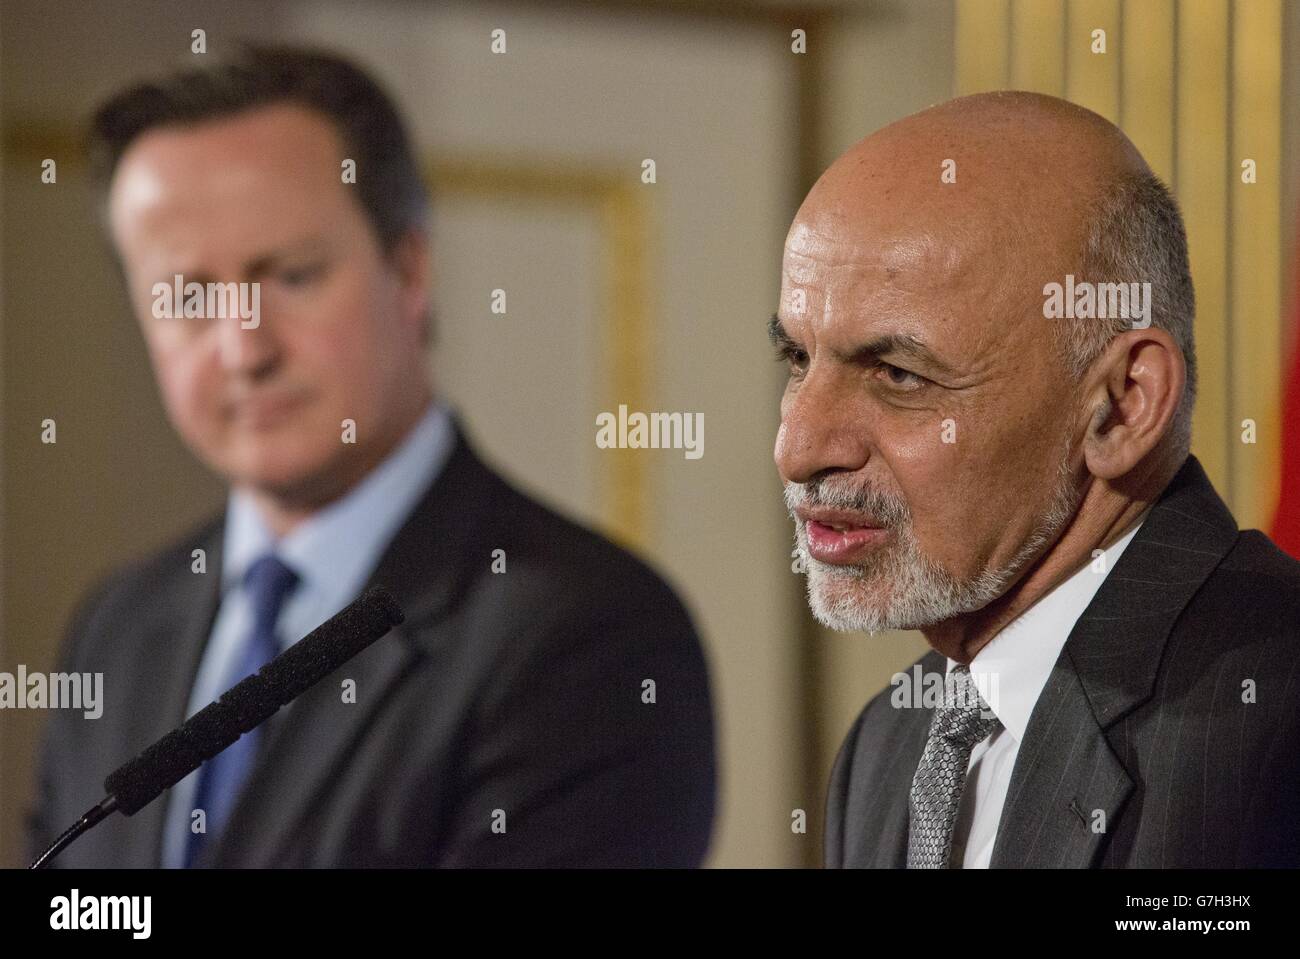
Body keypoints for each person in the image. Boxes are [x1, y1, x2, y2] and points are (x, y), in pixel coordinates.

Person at [27, 44, 716, 868]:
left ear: (410, 268)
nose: (244, 349)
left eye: (290, 275)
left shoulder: (593, 633)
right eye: (189, 298)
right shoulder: (121, 622)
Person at [772, 91, 1300, 868]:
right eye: (797, 359)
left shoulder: (1277, 719)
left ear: (1122, 405)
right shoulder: (890, 741)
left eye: (897, 373)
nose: (798, 447)